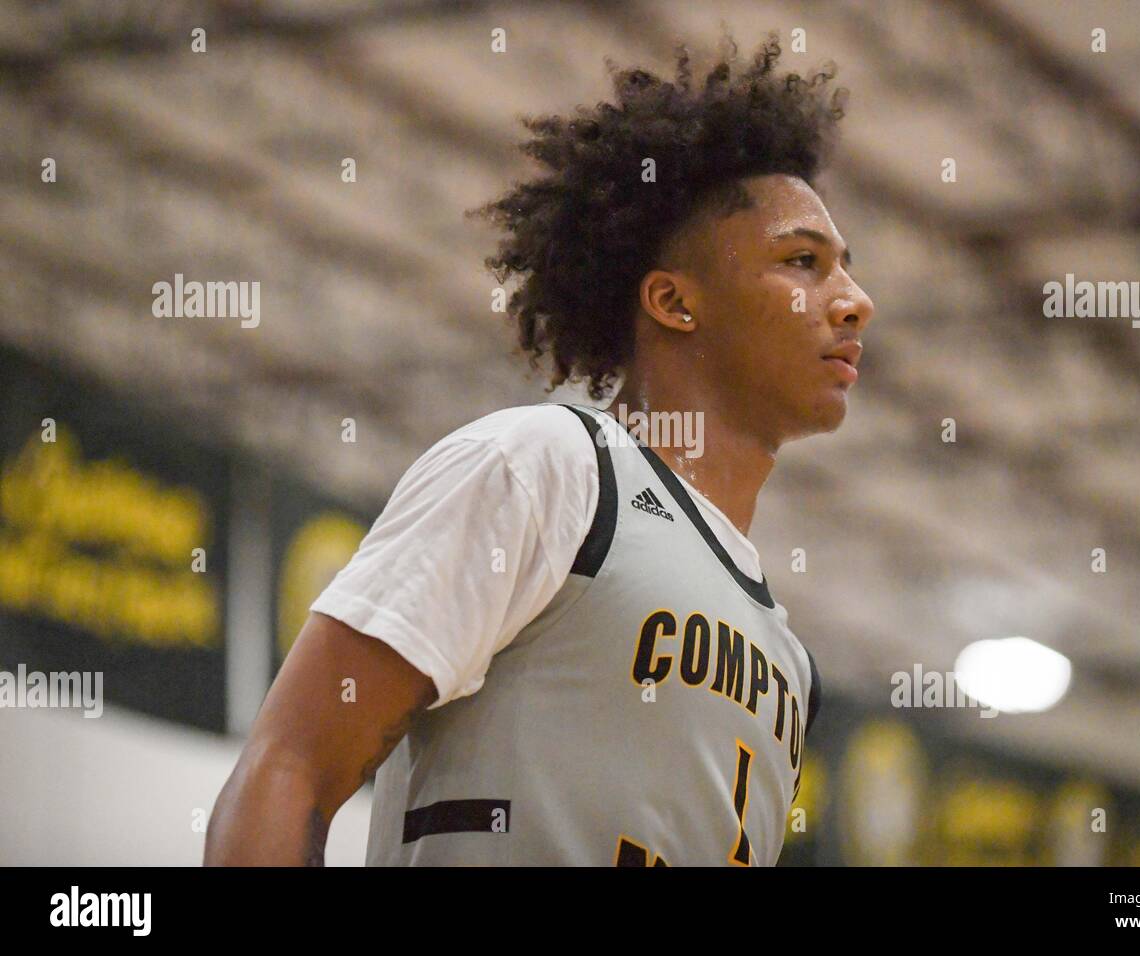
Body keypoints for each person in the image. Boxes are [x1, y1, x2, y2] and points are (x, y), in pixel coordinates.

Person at [205, 32, 873, 866]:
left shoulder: (787, 655)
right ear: (673, 301)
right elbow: (290, 767)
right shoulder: (550, 467)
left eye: (847, 268)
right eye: (803, 262)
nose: (854, 301)